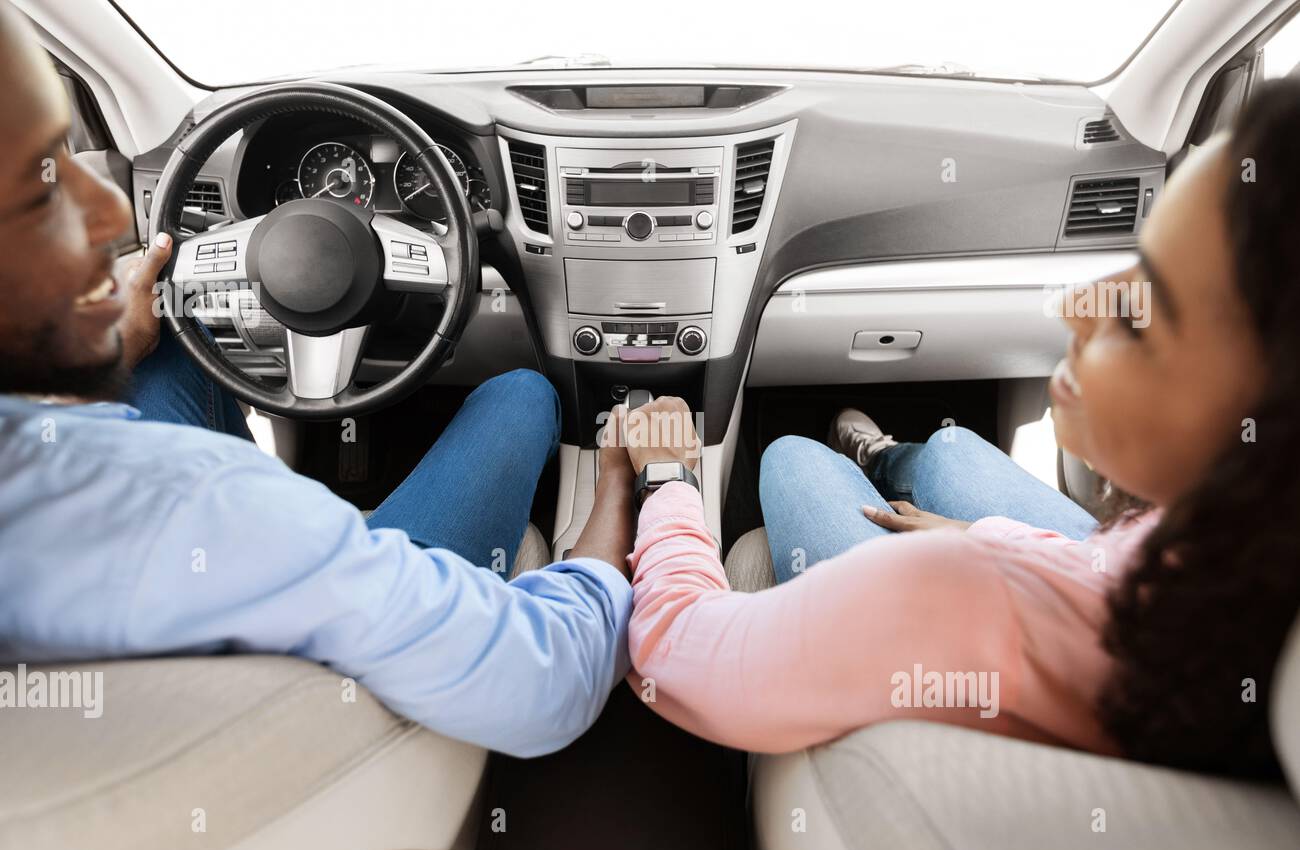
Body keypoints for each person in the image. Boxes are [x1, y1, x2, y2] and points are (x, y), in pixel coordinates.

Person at [0, 1, 637, 759]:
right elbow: (551, 677)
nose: (110, 215)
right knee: (522, 396)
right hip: (321, 702)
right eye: (41, 192)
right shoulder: (216, 512)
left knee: (169, 344)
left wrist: (109, 359)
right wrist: (618, 480)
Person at [615, 79, 1300, 778]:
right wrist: (983, 537)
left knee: (793, 456)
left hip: (965, 599)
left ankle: (868, 460)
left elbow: (674, 647)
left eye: (1137, 316)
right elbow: (1103, 571)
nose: (1077, 304)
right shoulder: (1242, 572)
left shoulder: (962, 597)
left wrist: (669, 478)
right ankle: (882, 457)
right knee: (950, 449)